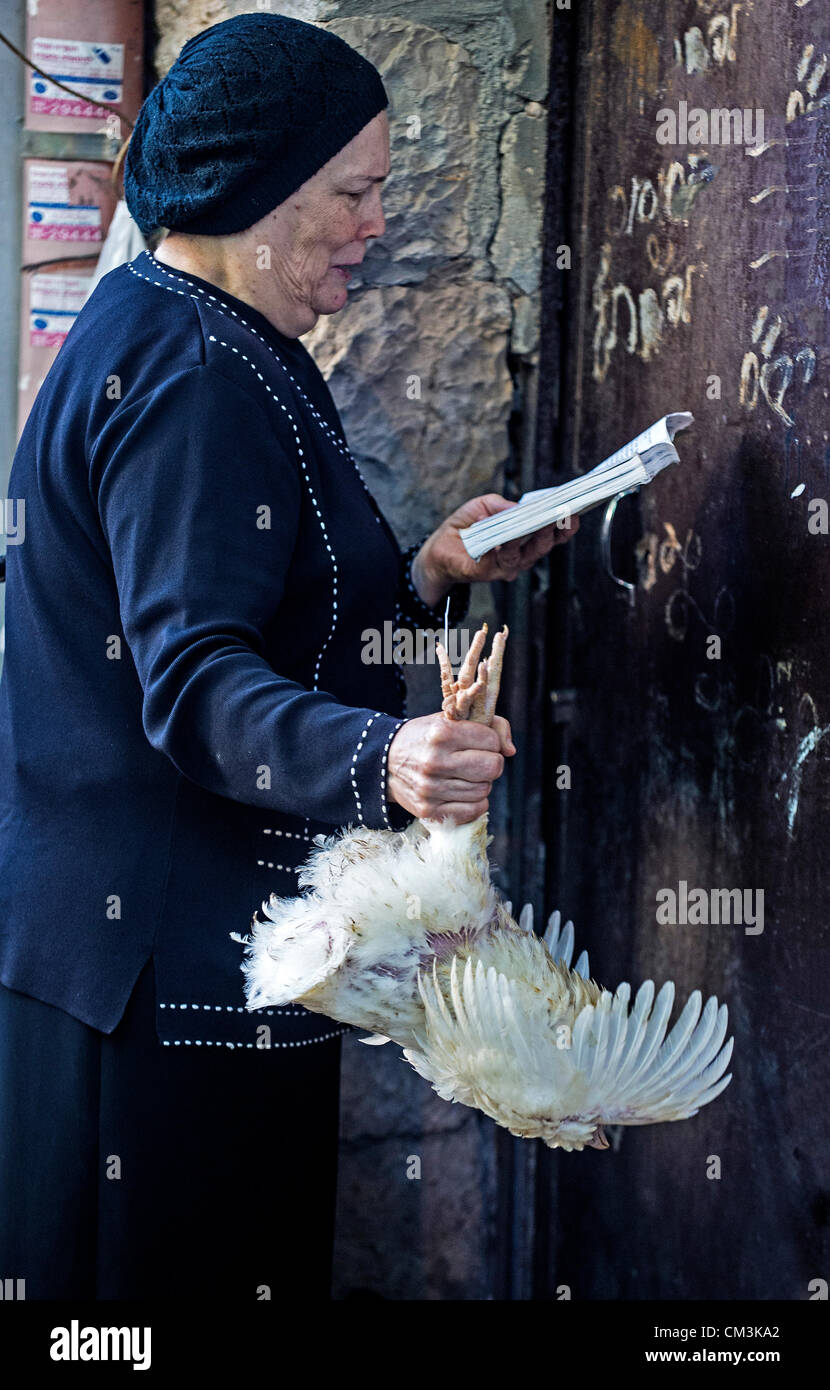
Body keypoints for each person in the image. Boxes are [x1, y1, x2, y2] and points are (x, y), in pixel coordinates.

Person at [0, 13, 577, 1300]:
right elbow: (195, 679)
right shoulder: (194, 369)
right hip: (154, 987)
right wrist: (393, 759)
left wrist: (430, 573)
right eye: (354, 193)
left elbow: (251, 609)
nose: (377, 225)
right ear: (252, 185)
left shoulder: (185, 329)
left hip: (162, 965)